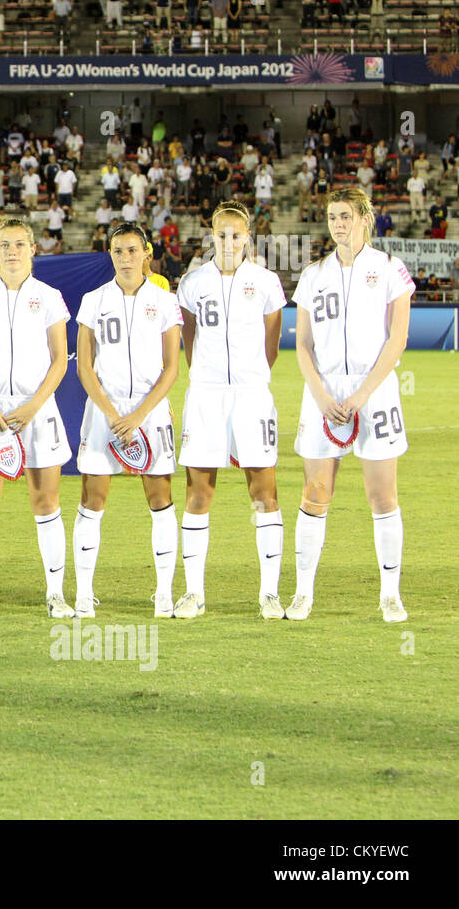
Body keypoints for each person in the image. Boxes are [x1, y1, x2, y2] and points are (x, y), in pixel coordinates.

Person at [290, 188, 413, 623]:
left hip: (374, 392)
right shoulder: (313, 274)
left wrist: (361, 395)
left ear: (364, 218)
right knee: (315, 494)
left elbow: (397, 339)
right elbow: (302, 345)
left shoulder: (389, 269)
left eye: (345, 216)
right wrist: (322, 395)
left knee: (382, 496)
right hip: (322, 394)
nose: (337, 224)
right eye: (331, 217)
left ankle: (390, 595)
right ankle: (303, 593)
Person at [175, 202, 287, 620]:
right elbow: (188, 336)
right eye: (221, 234)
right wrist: (207, 378)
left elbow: (271, 344)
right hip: (205, 394)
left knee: (263, 493)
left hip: (252, 395)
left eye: (236, 235)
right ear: (212, 236)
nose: (228, 242)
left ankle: (270, 593)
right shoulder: (192, 283)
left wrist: (249, 379)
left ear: (247, 239)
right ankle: (193, 593)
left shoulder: (266, 282)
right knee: (198, 493)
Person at [0, 218, 73, 618]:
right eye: (5, 245)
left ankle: (56, 594)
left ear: (33, 249)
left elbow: (60, 361)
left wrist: (33, 406)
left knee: (46, 502)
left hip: (37, 411)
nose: (12, 251)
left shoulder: (49, 297)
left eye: (20, 244)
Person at [74, 223, 182, 618]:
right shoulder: (93, 300)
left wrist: (139, 414)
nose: (124, 258)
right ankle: (84, 593)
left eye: (132, 250)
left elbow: (172, 367)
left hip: (149, 412)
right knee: (93, 499)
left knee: (160, 500)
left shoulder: (165, 301)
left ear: (146, 254)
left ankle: (164, 593)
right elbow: (85, 366)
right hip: (105, 411)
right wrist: (112, 412)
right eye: (118, 251)